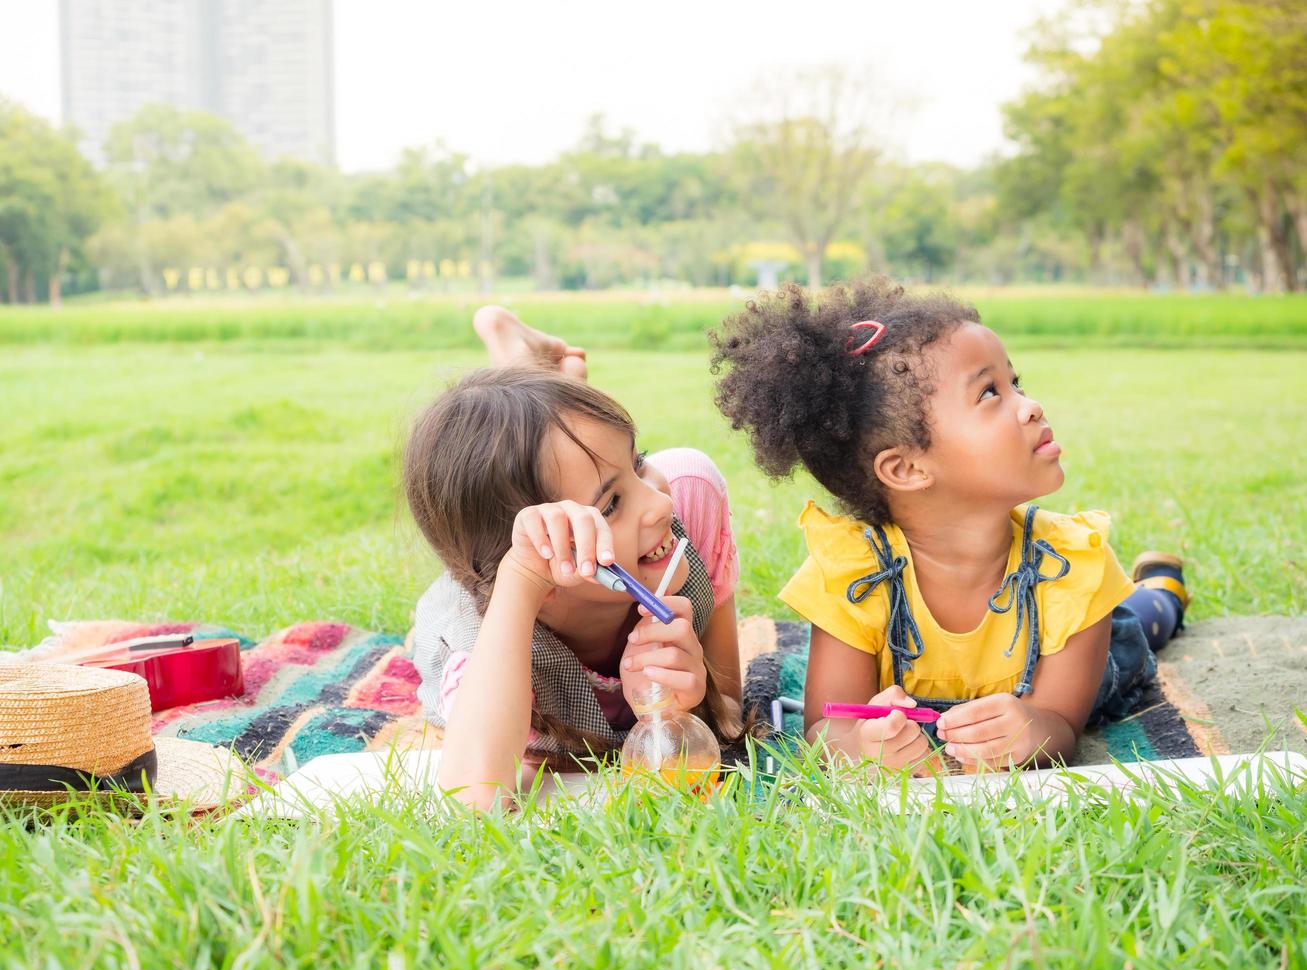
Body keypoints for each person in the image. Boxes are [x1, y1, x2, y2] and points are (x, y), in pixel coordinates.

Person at [710, 278, 1188, 772]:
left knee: (1142, 621)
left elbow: (1063, 727)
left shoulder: (1071, 565)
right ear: (907, 469)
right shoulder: (854, 573)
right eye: (989, 393)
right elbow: (826, 728)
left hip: (1094, 655)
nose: (1031, 405)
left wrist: (1034, 729)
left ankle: (1163, 587)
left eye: (1015, 382)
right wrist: (863, 746)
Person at [406, 306, 742, 808]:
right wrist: (519, 579)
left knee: (657, 466)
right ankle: (522, 372)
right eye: (610, 505)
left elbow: (731, 710)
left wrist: (684, 703)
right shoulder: (475, 634)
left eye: (639, 461)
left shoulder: (683, 509)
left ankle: (528, 378)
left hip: (559, 550)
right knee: (515, 495)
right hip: (502, 587)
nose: (662, 505)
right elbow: (473, 797)